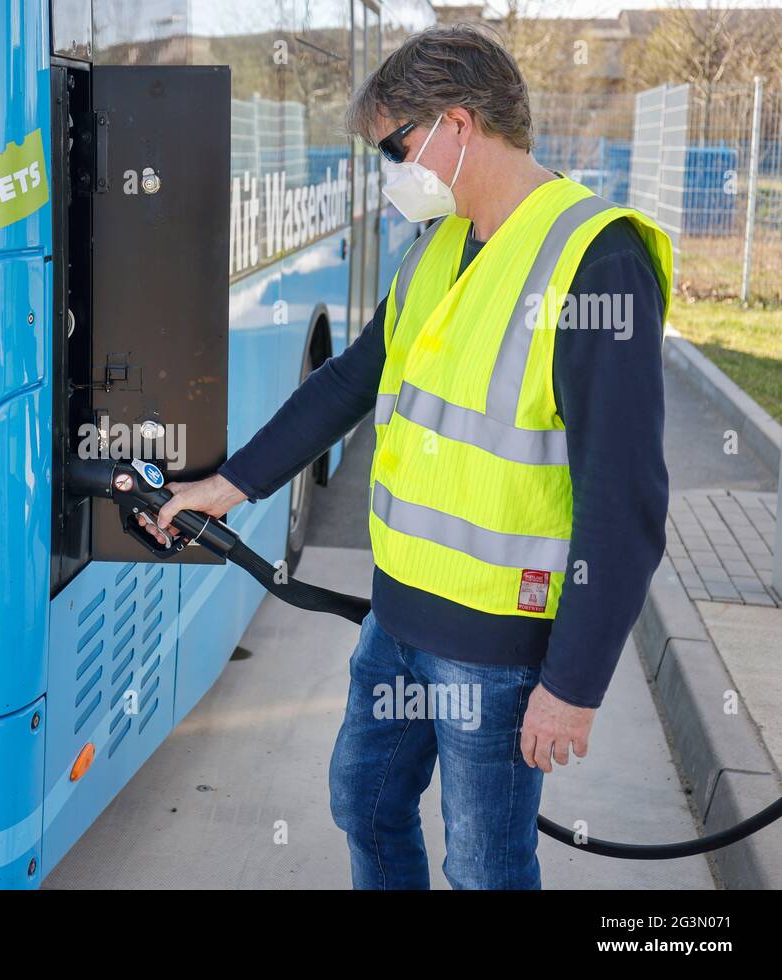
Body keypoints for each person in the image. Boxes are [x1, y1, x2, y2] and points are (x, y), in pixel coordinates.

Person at [140, 23, 671, 890]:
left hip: (496, 654)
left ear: (460, 124)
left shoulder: (594, 263)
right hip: (398, 622)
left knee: (486, 867)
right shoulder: (441, 245)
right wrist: (230, 484)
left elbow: (625, 500)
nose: (392, 169)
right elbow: (352, 380)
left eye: (397, 144)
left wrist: (572, 685)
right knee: (366, 802)